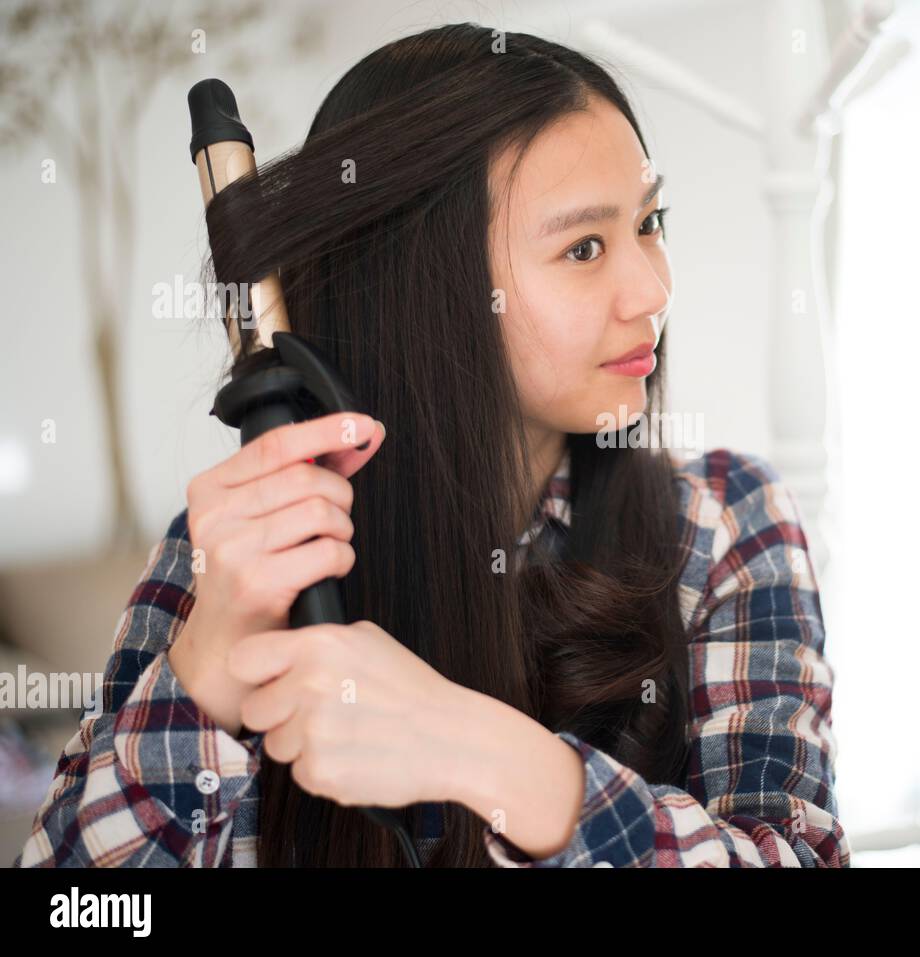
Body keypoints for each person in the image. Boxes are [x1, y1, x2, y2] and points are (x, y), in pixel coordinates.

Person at [16, 21, 848, 868]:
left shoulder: (723, 520)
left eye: (650, 219)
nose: (655, 288)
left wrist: (486, 752)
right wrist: (203, 676)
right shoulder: (237, 552)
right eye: (584, 246)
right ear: (424, 287)